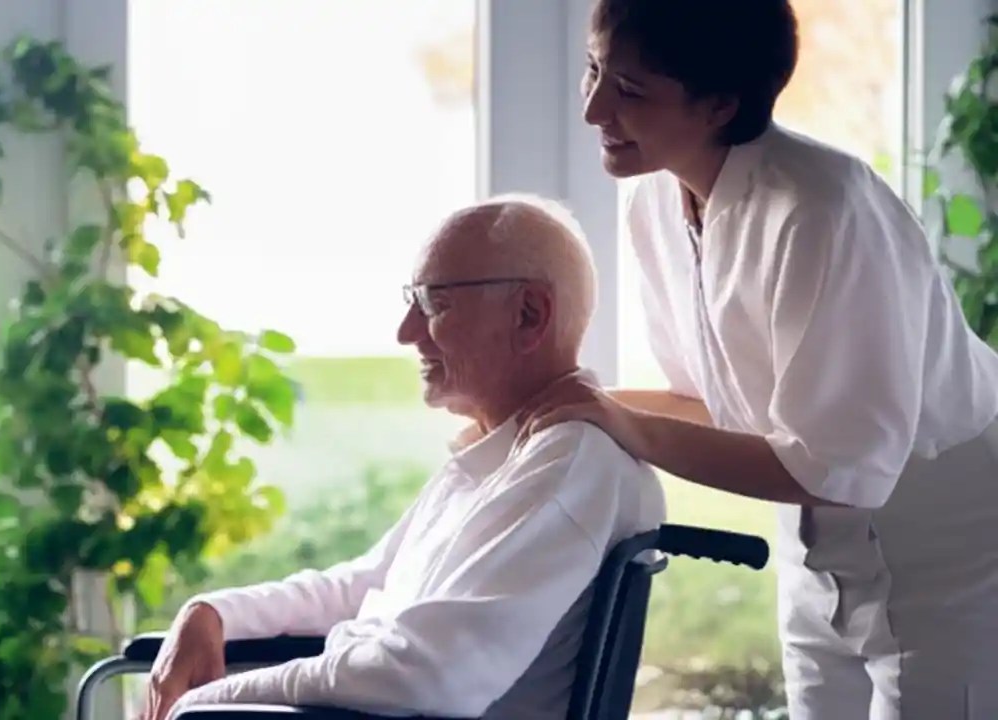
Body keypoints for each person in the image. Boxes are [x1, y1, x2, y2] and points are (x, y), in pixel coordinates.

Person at [518, 1, 998, 718]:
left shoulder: (822, 207)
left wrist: (612, 417)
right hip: (816, 542)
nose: (593, 110)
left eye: (631, 90)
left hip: (954, 545)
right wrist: (555, 403)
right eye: (593, 70)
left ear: (719, 104)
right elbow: (712, 404)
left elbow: (841, 470)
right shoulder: (657, 193)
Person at [138, 195, 666, 720]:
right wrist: (213, 612)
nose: (406, 332)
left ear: (529, 315)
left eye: (435, 303)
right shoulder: (506, 454)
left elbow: (429, 676)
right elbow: (367, 584)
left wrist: (201, 702)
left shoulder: (570, 464)